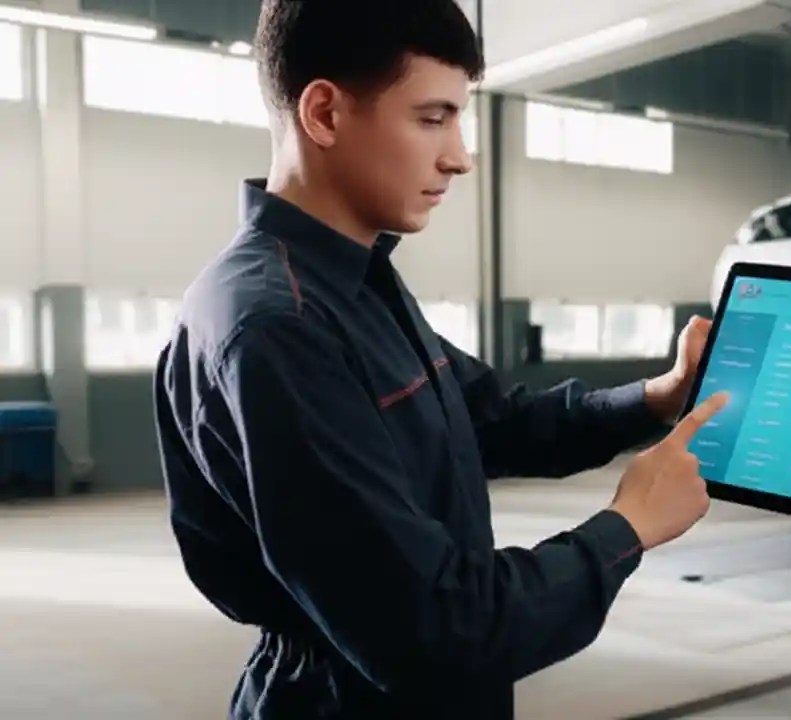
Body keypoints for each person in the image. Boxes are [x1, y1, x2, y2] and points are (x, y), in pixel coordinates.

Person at [152, 1, 728, 717]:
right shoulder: (279, 326)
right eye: (433, 118)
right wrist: (627, 526)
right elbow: (433, 629)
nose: (459, 155)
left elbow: (489, 419)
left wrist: (658, 397)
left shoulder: (352, 283)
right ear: (325, 114)